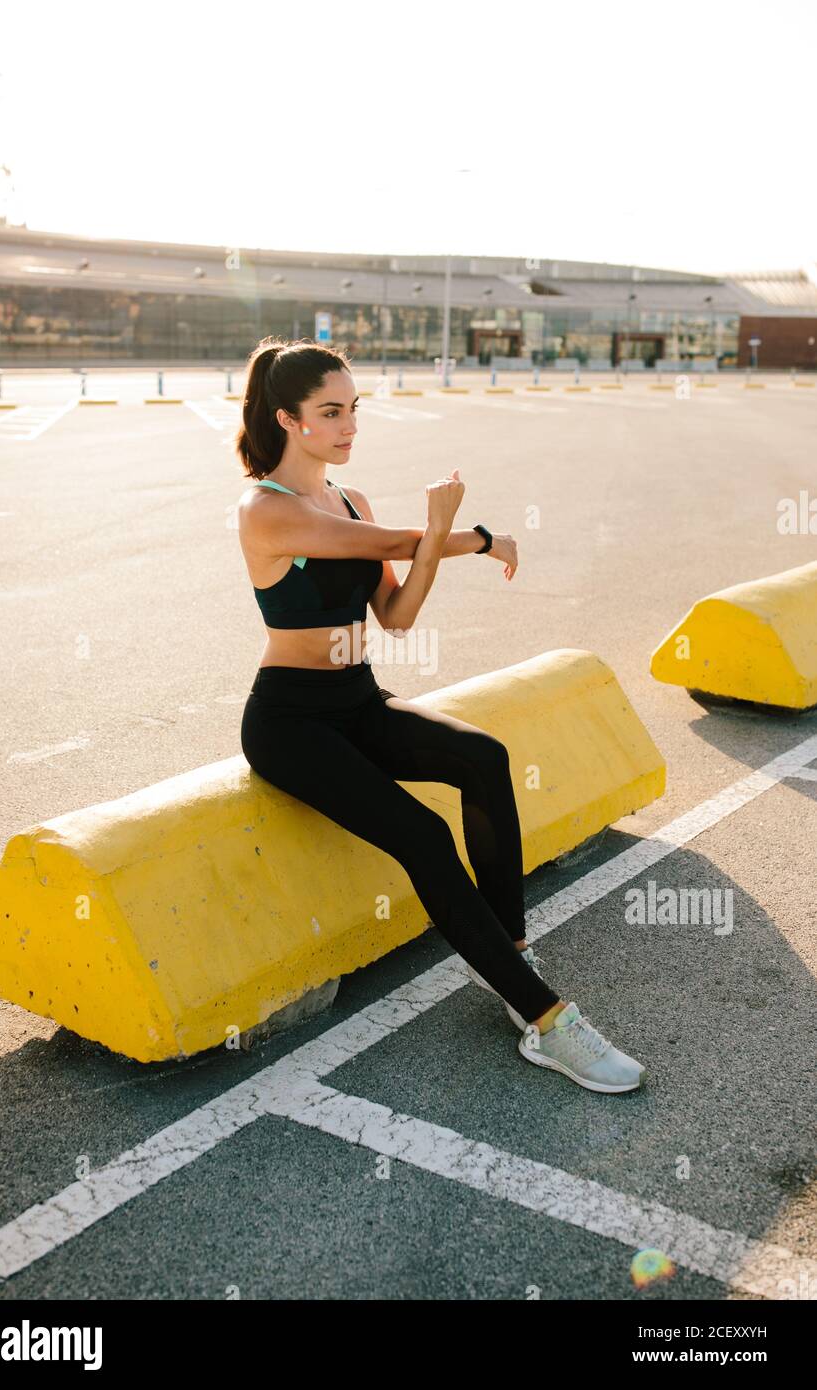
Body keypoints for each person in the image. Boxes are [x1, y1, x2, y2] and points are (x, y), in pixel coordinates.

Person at [236, 336, 645, 1094]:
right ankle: (550, 1025)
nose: (349, 425)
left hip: (357, 698)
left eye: (354, 409)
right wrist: (479, 537)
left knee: (482, 757)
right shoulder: (266, 510)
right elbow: (395, 539)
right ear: (289, 419)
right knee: (422, 835)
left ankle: (508, 953)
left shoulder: (349, 499)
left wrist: (436, 539)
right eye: (331, 413)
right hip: (290, 722)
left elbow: (394, 612)